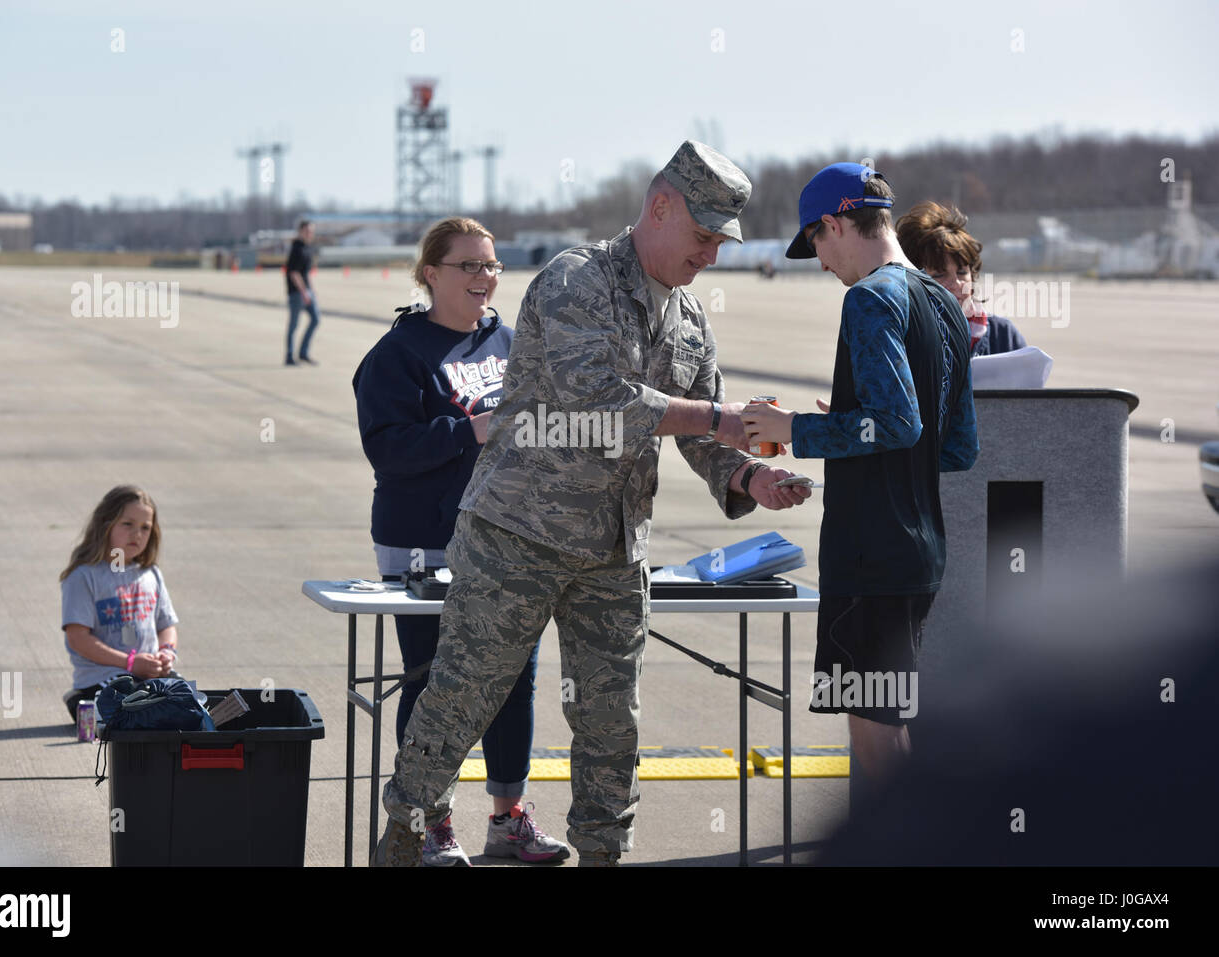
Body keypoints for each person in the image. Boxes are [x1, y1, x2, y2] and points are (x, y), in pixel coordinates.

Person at [372, 141, 811, 867]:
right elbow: (601, 400)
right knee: (459, 700)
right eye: (702, 236)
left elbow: (702, 428)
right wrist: (718, 419)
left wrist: (747, 478)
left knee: (612, 723)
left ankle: (605, 854)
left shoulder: (691, 319)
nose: (709, 254)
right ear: (660, 206)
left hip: (614, 550)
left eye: (719, 242)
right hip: (518, 533)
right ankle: (405, 838)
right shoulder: (578, 279)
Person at [743, 163, 978, 788]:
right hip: (922, 552)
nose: (819, 260)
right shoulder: (943, 303)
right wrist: (851, 425)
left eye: (816, 242)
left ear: (835, 223)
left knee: (872, 727)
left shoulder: (871, 298)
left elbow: (898, 424)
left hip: (872, 555)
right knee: (894, 717)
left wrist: (794, 428)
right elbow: (956, 448)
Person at [353, 217, 570, 867]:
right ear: (430, 273)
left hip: (511, 541)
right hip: (425, 543)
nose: (484, 277)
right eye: (468, 265)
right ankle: (424, 824)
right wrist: (465, 432)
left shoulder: (511, 342)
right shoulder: (398, 354)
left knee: (512, 682)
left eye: (492, 265)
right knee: (431, 686)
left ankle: (508, 819)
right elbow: (386, 451)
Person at [60, 486, 179, 722]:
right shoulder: (84, 576)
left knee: (186, 698)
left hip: (147, 674)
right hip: (105, 676)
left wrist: (165, 653)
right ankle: (82, 702)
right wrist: (130, 663)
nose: (137, 534)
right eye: (128, 524)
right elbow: (78, 638)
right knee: (133, 705)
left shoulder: (150, 574)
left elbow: (167, 625)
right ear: (106, 524)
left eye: (145, 527)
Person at [895, 201, 1026, 357]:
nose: (956, 283)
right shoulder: (899, 340)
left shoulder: (1003, 336)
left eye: (962, 272)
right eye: (939, 274)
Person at [284, 219, 319, 366]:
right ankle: (290, 356)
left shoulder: (307, 248)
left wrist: (312, 290)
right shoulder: (296, 248)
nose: (310, 234)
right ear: (301, 232)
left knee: (315, 319)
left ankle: (303, 353)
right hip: (297, 293)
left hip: (306, 291)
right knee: (294, 325)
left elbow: (306, 273)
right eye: (307, 231)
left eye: (311, 231)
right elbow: (294, 273)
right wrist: (304, 292)